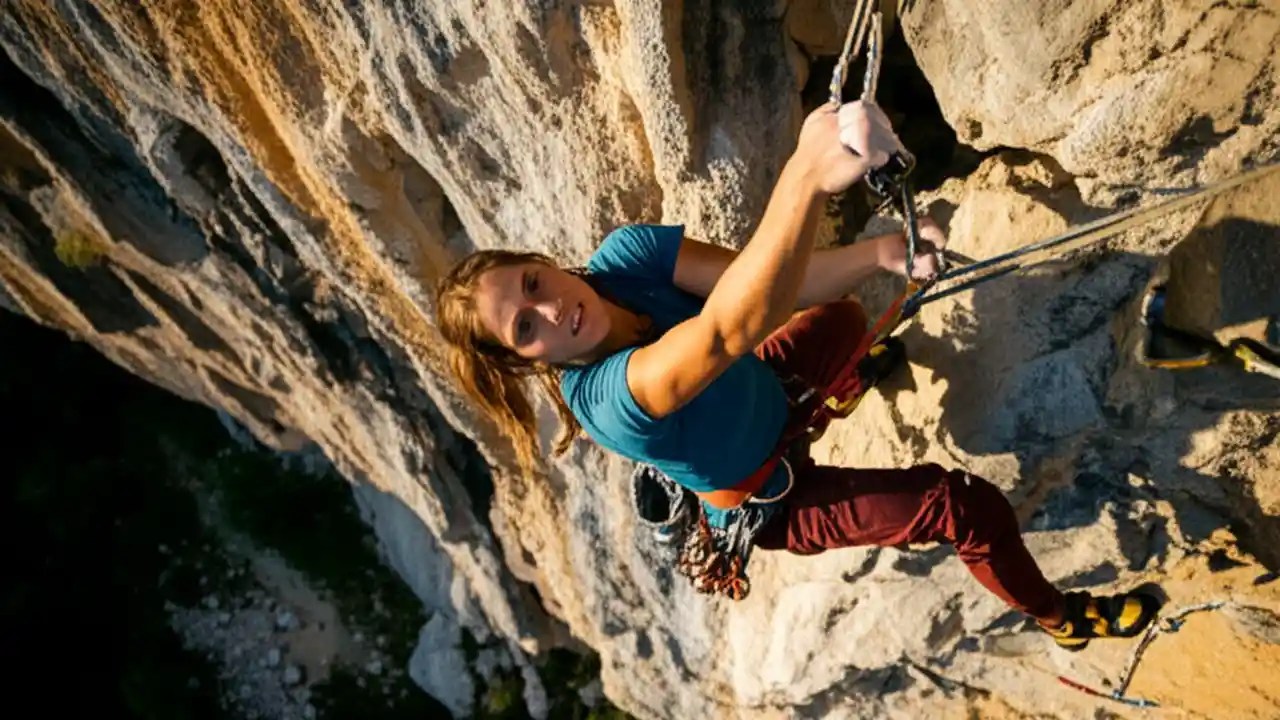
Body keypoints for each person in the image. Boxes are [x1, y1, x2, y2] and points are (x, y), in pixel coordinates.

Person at [435, 101, 1159, 650]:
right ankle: (1060, 617)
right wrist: (806, 172)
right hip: (771, 498)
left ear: (542, 261)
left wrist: (880, 257)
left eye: (532, 283)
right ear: (520, 361)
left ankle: (838, 387)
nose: (551, 309)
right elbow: (729, 327)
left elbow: (780, 282)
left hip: (772, 396)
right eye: (523, 329)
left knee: (841, 322)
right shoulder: (605, 401)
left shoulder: (625, 259)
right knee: (961, 507)